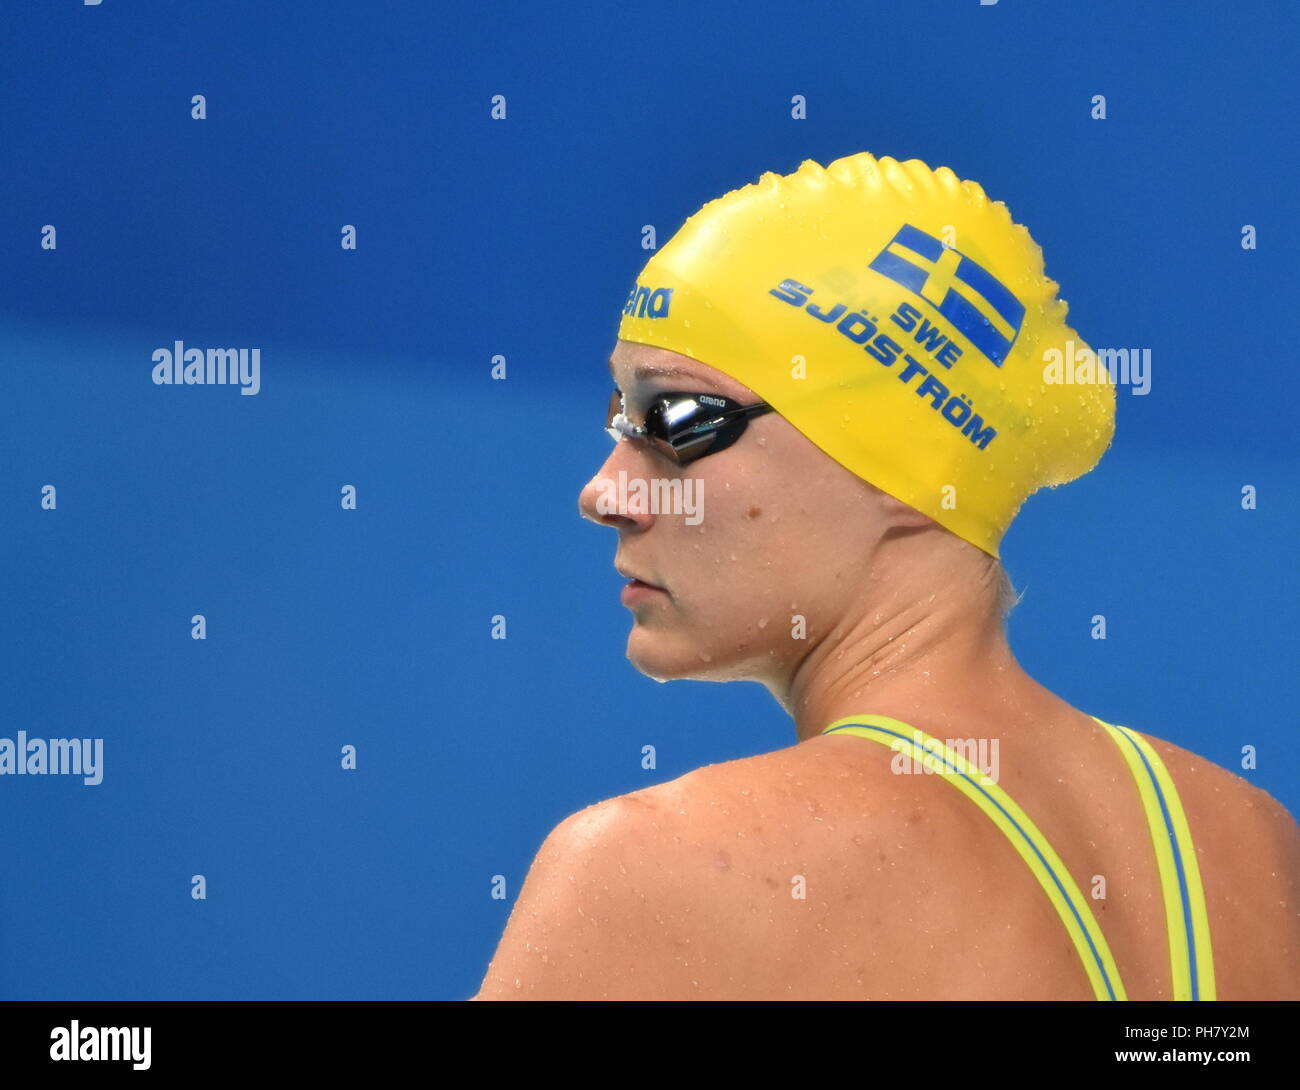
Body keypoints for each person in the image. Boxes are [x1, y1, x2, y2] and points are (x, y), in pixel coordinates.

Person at [473, 152, 1300, 1000]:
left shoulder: (648, 868)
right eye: (620, 416)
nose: (603, 491)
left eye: (676, 420)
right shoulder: (1250, 846)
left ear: (905, 474)